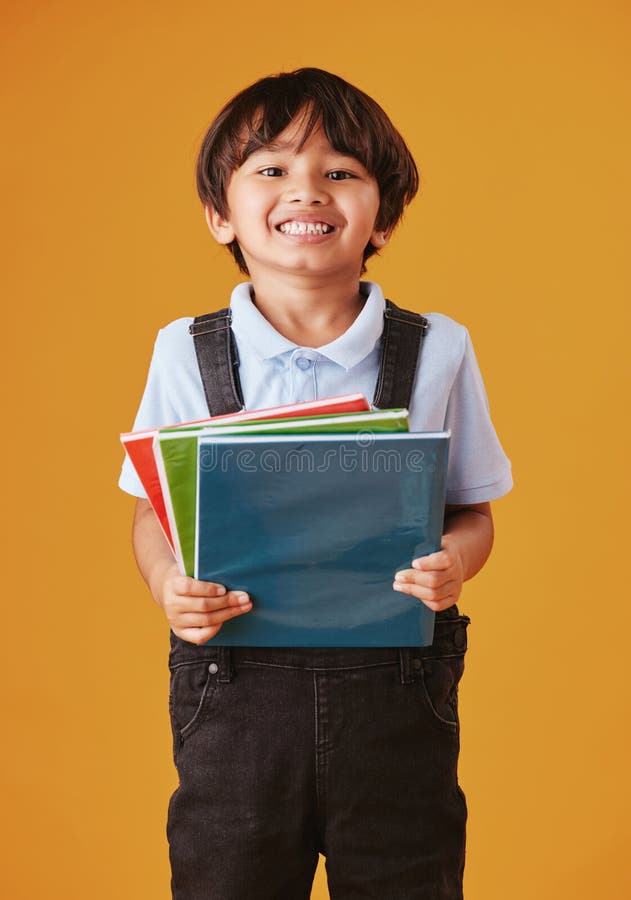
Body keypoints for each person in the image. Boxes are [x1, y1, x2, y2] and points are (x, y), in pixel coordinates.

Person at [119, 67, 512, 900]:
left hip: (396, 698)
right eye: (271, 169)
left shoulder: (436, 347)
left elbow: (471, 509)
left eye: (341, 171)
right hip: (233, 699)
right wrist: (165, 583)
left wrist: (456, 563)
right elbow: (154, 515)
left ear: (383, 215)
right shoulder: (186, 351)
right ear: (220, 213)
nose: (308, 189)